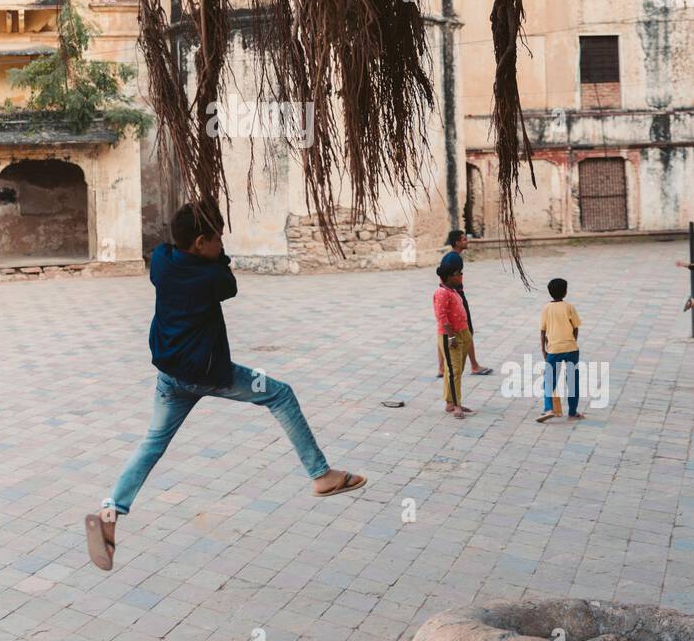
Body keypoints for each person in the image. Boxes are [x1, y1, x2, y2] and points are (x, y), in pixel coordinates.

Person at [84, 201, 366, 571]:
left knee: (152, 443)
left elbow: (178, 250)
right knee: (280, 393)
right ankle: (321, 476)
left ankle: (111, 510)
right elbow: (228, 282)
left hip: (170, 375)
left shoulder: (161, 262)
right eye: (218, 238)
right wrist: (217, 257)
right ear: (201, 242)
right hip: (208, 374)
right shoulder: (212, 278)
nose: (222, 244)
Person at [435, 229, 492, 378]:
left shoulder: (448, 257)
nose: (466, 241)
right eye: (464, 239)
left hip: (448, 294)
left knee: (444, 332)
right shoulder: (456, 259)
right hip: (456, 296)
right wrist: (456, 297)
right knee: (467, 331)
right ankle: (474, 365)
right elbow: (454, 280)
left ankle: (441, 368)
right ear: (457, 243)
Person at [537, 277, 583, 424]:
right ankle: (572, 412)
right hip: (571, 348)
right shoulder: (569, 307)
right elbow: (575, 327)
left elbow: (543, 331)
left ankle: (549, 408)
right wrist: (573, 342)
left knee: (549, 380)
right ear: (565, 292)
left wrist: (544, 350)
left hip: (553, 349)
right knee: (572, 381)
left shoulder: (546, 308)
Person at [434, 255, 474, 420]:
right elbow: (442, 317)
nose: (461, 277)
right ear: (450, 277)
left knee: (456, 369)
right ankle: (456, 405)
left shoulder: (453, 290)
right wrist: (451, 337)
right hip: (450, 335)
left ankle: (451, 401)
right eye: (458, 274)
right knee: (454, 371)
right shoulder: (442, 293)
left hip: (462, 332)